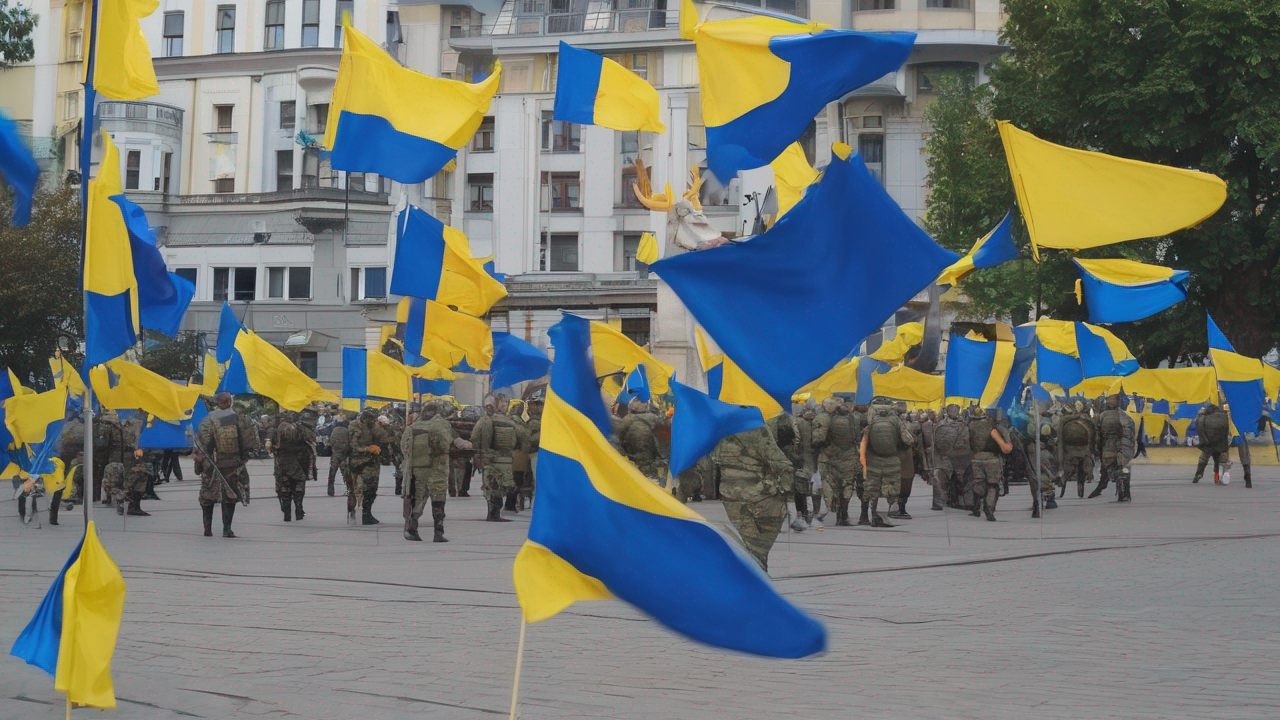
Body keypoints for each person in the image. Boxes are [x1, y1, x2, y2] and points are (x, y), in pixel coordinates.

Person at [713, 425, 792, 572]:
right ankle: (759, 576)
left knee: (750, 541)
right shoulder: (758, 429)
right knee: (760, 544)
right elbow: (778, 461)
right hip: (759, 495)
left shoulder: (719, 430)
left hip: (730, 494)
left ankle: (756, 575)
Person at [197, 392, 259, 538]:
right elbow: (250, 442)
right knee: (229, 496)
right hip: (231, 464)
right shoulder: (239, 419)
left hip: (213, 464)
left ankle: (209, 529)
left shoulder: (208, 420)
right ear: (229, 402)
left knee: (208, 497)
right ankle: (226, 529)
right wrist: (243, 459)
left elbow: (202, 442)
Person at [401, 401, 454, 542]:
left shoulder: (412, 427)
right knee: (438, 499)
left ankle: (411, 528)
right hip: (437, 468)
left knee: (417, 500)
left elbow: (404, 448)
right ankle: (438, 532)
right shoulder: (441, 424)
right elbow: (445, 444)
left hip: (417, 470)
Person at [860, 399, 913, 528]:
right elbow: (908, 440)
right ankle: (881, 518)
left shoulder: (869, 421)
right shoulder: (896, 421)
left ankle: (865, 516)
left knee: (871, 488)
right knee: (887, 490)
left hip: (872, 460)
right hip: (891, 461)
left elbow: (862, 441)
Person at [472, 394, 523, 522]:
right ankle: (493, 513)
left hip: (498, 459)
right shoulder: (499, 420)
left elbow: (475, 437)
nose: (504, 405)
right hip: (496, 459)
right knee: (495, 486)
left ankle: (494, 513)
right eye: (502, 403)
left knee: (496, 486)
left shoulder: (490, 420)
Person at [812, 398, 862, 526]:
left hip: (830, 456)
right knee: (847, 485)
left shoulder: (825, 419)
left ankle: (829, 510)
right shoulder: (853, 419)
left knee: (829, 484)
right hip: (849, 456)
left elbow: (819, 438)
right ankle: (843, 516)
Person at [966, 407, 1013, 521]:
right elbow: (1005, 448)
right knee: (993, 484)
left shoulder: (969, 427)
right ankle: (989, 509)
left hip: (975, 459)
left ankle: (976, 508)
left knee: (978, 483)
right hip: (991, 459)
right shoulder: (992, 427)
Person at [349, 407, 393, 525]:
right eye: (371, 419)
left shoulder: (374, 426)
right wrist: (367, 449)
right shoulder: (356, 426)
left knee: (371, 489)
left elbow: (385, 439)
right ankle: (355, 513)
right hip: (358, 461)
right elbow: (353, 445)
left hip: (370, 461)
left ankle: (366, 513)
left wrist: (387, 427)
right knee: (357, 489)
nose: (372, 421)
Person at [1091, 395, 1137, 501]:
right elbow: (1131, 435)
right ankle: (1124, 491)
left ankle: (1102, 485)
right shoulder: (1125, 417)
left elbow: (1097, 436)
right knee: (1124, 468)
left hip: (1108, 447)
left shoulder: (1102, 416)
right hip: (1122, 447)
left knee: (1105, 468)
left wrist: (1097, 449)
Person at [767, 411, 806, 531]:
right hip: (791, 456)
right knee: (796, 486)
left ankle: (780, 516)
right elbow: (799, 439)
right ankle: (800, 516)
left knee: (778, 487)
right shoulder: (792, 419)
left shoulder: (768, 420)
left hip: (776, 457)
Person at [273, 411, 313, 521]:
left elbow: (272, 444)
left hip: (283, 461)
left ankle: (287, 512)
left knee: (284, 486)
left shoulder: (278, 428)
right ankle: (299, 508)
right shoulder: (302, 428)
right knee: (299, 485)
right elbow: (310, 441)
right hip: (299, 461)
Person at [615, 397, 663, 482]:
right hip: (651, 467)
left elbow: (617, 444)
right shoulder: (656, 421)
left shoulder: (624, 423)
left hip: (631, 467)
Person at [50, 407, 84, 526]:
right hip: (62, 457)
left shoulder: (63, 424)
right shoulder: (75, 426)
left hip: (62, 457)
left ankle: (52, 516)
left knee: (58, 487)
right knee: (58, 487)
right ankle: (52, 516)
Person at [1056, 400, 1096, 498]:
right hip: (1084, 449)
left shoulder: (1063, 421)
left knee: (1067, 466)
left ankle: (1063, 477)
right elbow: (1093, 437)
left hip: (1069, 450)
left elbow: (1060, 442)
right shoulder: (1086, 420)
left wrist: (1060, 464)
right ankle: (1088, 475)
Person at [1193, 403, 1232, 484]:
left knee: (1203, 458)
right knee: (1220, 459)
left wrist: (1203, 441)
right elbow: (1227, 430)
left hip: (1208, 442)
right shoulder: (1224, 417)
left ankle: (1198, 474)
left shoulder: (1203, 417)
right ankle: (1218, 475)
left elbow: (1199, 427)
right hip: (1220, 442)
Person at [509, 400, 532, 512]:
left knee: (517, 479)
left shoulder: (520, 421)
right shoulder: (515, 421)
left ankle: (512, 503)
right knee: (516, 479)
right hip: (517, 454)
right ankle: (510, 503)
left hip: (519, 454)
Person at [327, 413, 350, 497]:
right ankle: (349, 489)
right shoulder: (347, 431)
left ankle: (330, 490)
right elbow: (349, 442)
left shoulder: (334, 430)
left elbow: (331, 442)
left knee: (332, 473)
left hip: (335, 454)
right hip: (343, 455)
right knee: (346, 473)